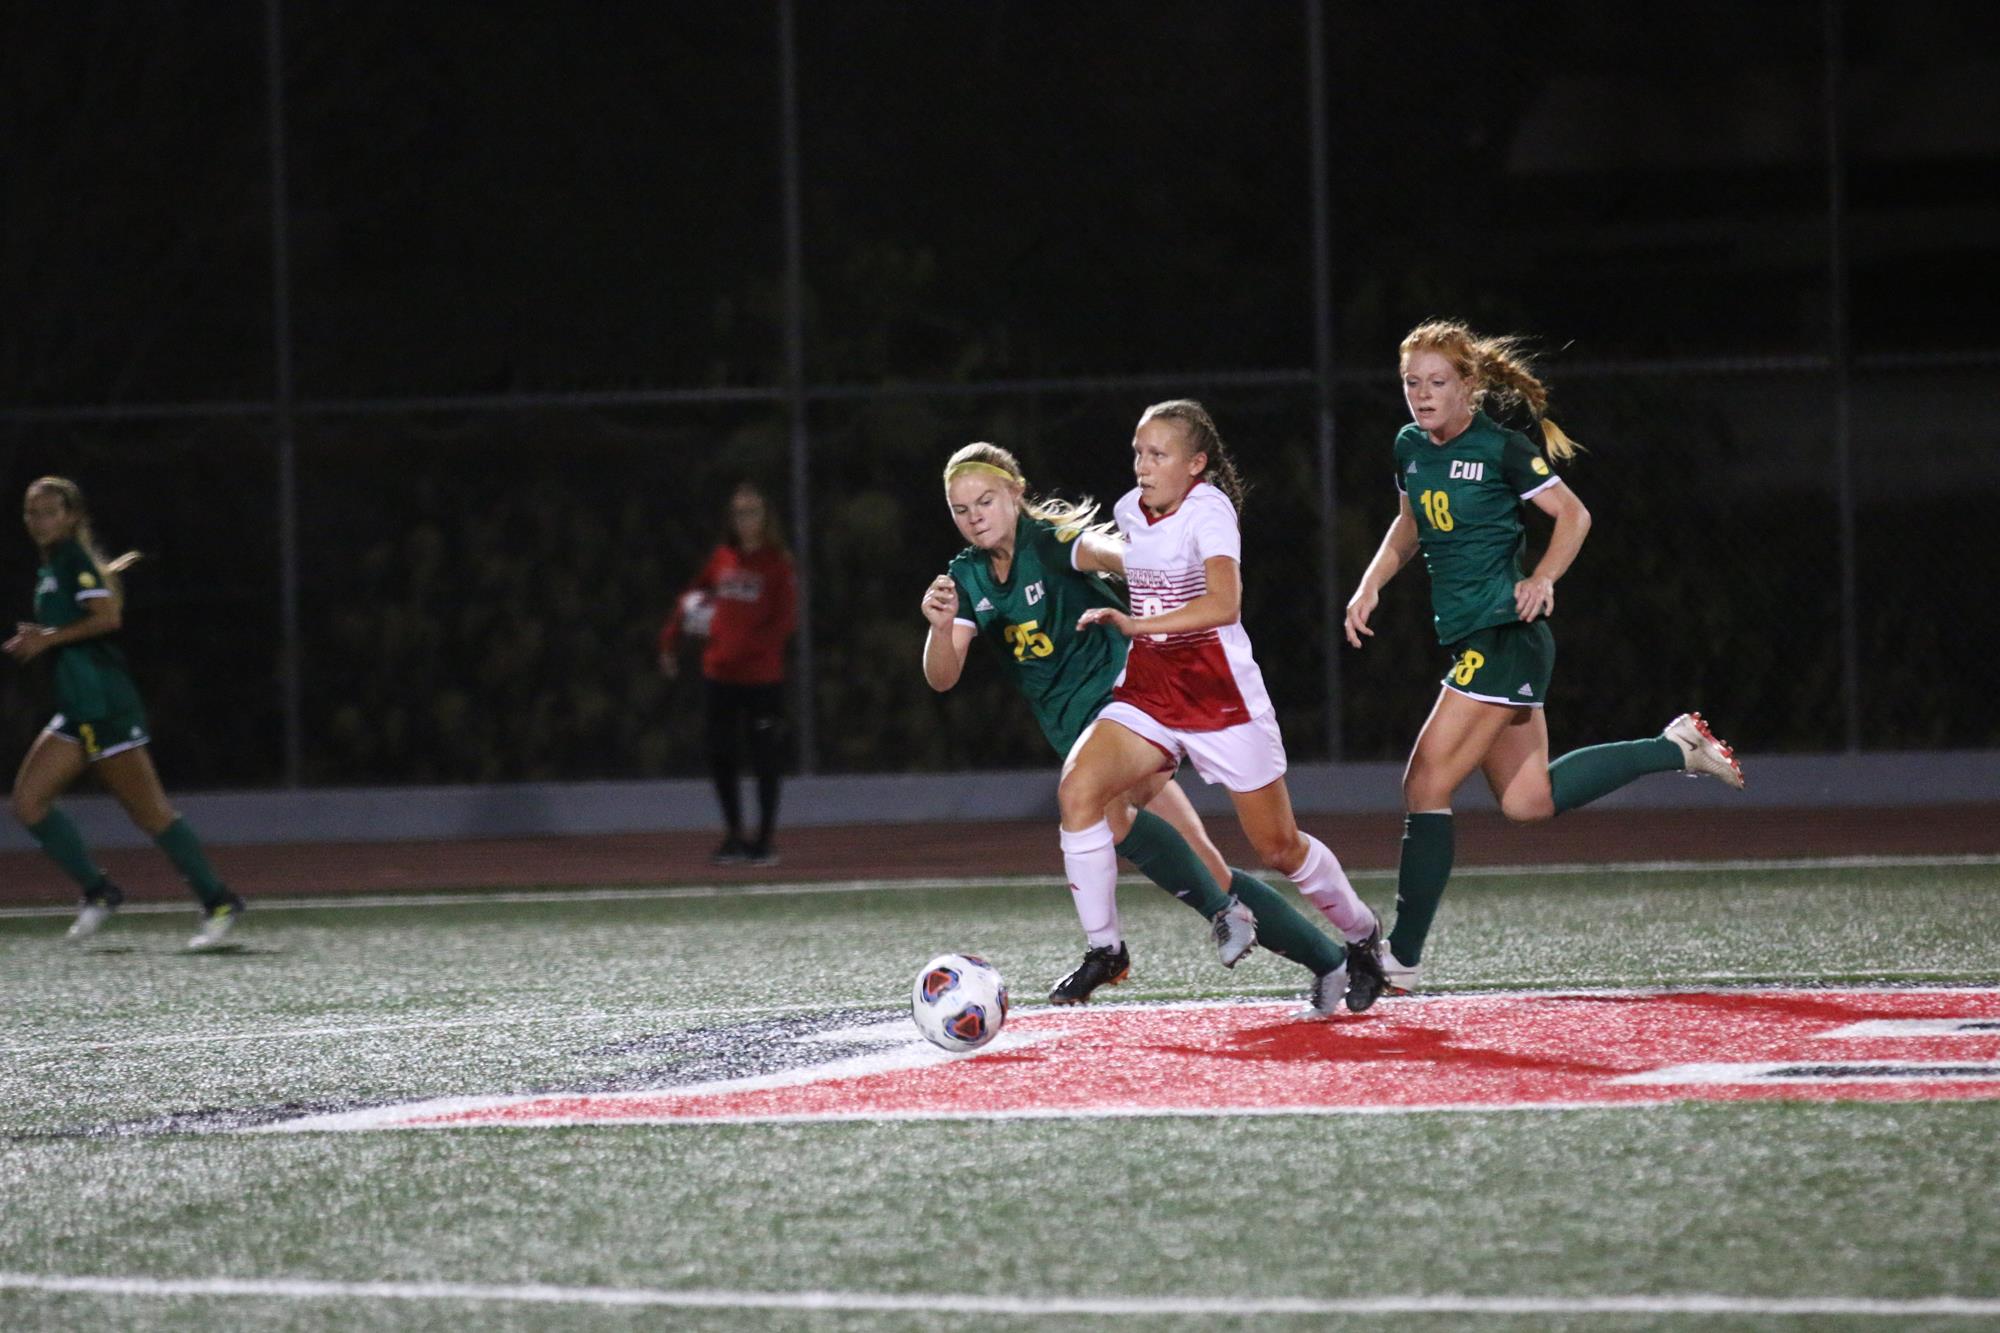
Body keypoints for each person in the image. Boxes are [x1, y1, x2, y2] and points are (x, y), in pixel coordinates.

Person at [1340, 319, 1745, 1008]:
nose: (1423, 395)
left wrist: (1544, 577)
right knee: (1529, 802)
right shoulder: (1409, 445)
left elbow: (1574, 515)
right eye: (1412, 383)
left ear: (1469, 384)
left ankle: (1401, 958)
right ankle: (1672, 746)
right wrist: (1372, 579)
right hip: (1481, 639)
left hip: (1504, 635)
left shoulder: (1502, 447)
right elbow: (1410, 521)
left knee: (1424, 784)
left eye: (1438, 382)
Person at [919, 442, 1359, 1013]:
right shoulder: (967, 576)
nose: (975, 515)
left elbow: (1110, 551)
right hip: (1077, 729)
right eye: (960, 508)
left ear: (1016, 494)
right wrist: (935, 628)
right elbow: (942, 677)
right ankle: (1331, 961)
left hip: (1134, 705)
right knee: (1205, 868)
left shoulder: (1050, 545)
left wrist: (1165, 561)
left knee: (1114, 814)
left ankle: (1111, 950)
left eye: (985, 500)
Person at [1052, 401, 1391, 1012]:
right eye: (1137, 451)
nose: (1142, 465)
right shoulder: (1131, 510)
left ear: (1196, 465)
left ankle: (1364, 936)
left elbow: (1223, 604)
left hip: (1221, 699)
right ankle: (1106, 950)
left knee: (1278, 848)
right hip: (1151, 694)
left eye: (1158, 454)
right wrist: (1053, 544)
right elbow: (1118, 555)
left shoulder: (1210, 511)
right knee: (1079, 791)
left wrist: (1134, 623)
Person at [4, 477, 246, 950]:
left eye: (49, 511)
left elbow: (107, 617)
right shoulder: (52, 566)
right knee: (29, 804)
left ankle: (218, 901)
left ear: (71, 516)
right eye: (31, 512)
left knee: (151, 814)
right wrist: (46, 633)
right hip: (78, 709)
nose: (38, 521)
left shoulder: (73, 560)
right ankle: (100, 891)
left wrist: (46, 639)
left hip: (106, 707)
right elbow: (77, 622)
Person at [660, 482, 797, 866]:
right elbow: (692, 600)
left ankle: (764, 840)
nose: (745, 520)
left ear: (766, 517)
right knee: (722, 756)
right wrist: (670, 638)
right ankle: (734, 835)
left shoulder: (777, 564)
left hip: (761, 679)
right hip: (719, 676)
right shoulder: (723, 558)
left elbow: (783, 622)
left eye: (752, 511)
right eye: (738, 512)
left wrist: (745, 648)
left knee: (765, 757)